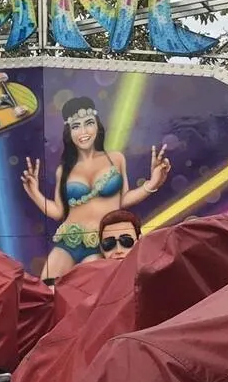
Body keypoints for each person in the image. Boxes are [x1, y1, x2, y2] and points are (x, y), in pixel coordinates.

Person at [21, 96, 170, 280]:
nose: (83, 132)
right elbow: (59, 212)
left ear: (97, 125)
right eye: (76, 126)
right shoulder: (65, 169)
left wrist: (152, 184)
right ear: (69, 132)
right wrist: (34, 192)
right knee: (46, 289)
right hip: (69, 239)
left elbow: (123, 199)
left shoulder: (115, 159)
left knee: (88, 286)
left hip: (102, 242)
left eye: (88, 123)